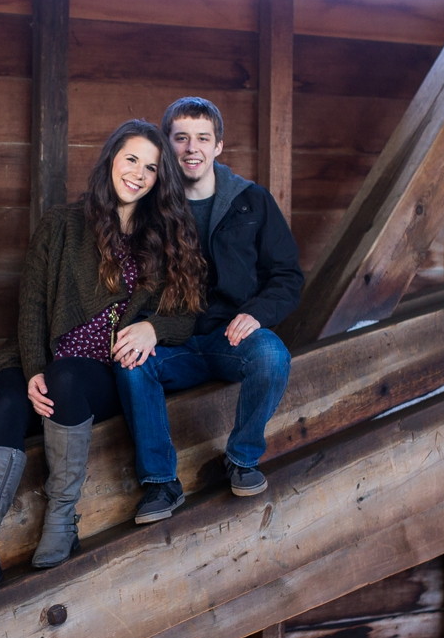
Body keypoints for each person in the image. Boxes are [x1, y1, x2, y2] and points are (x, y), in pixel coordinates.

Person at [0, 119, 207, 603]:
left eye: (151, 168)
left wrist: (152, 327)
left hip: (95, 373)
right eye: (131, 159)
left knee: (68, 376)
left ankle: (61, 518)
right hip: (38, 352)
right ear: (112, 159)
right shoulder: (61, 224)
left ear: (160, 180)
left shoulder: (165, 238)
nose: (138, 173)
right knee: (8, 402)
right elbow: (31, 305)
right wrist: (32, 369)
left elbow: (187, 314)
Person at [115, 96, 303, 523]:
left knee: (272, 355)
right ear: (166, 145)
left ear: (219, 146)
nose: (192, 148)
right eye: (181, 139)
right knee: (129, 363)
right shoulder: (148, 206)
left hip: (231, 338)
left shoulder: (251, 201)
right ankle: (160, 483)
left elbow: (288, 276)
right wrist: (150, 328)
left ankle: (241, 458)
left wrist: (256, 313)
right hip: (173, 342)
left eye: (203, 138)